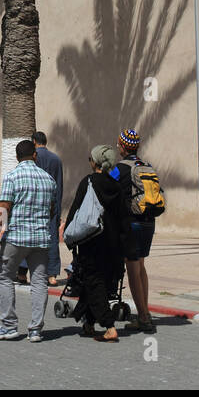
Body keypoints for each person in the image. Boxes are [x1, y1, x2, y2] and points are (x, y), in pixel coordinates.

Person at [0, 139, 57, 343]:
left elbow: (3, 208)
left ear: (17, 157)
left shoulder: (12, 177)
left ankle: (9, 326)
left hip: (17, 238)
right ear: (35, 155)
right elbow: (52, 210)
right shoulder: (48, 179)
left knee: (4, 275)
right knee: (39, 282)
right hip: (41, 239)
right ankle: (35, 330)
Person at [65, 145, 132, 341]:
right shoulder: (116, 186)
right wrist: (126, 244)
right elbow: (123, 218)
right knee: (95, 281)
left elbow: (76, 211)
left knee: (94, 282)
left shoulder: (88, 182)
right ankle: (88, 323)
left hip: (91, 242)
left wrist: (69, 234)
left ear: (95, 162)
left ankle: (109, 326)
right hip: (112, 245)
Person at [111, 128, 156, 334]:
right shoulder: (146, 166)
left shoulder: (120, 168)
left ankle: (144, 317)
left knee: (132, 268)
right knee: (141, 267)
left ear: (122, 146)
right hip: (149, 222)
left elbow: (107, 186)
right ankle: (143, 312)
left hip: (132, 223)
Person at [32, 131, 64, 287]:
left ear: (34, 142)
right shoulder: (56, 160)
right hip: (51, 206)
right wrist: (57, 211)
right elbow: (59, 187)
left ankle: (22, 272)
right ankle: (52, 276)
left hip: (34, 206)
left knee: (30, 237)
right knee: (52, 238)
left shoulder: (32, 158)